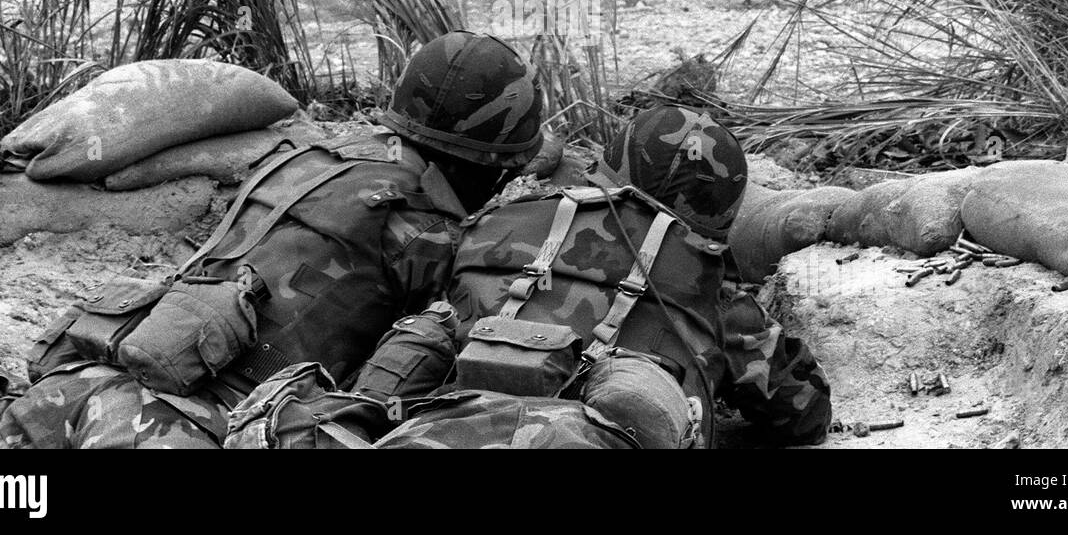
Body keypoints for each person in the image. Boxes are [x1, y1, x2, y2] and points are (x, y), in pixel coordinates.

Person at [0, 31, 544, 448]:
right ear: (491, 163)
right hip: (184, 426)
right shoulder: (432, 230)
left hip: (75, 386)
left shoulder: (310, 157)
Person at [227, 105, 832, 448]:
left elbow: (421, 333)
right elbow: (802, 412)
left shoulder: (497, 224)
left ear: (607, 166)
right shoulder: (713, 293)